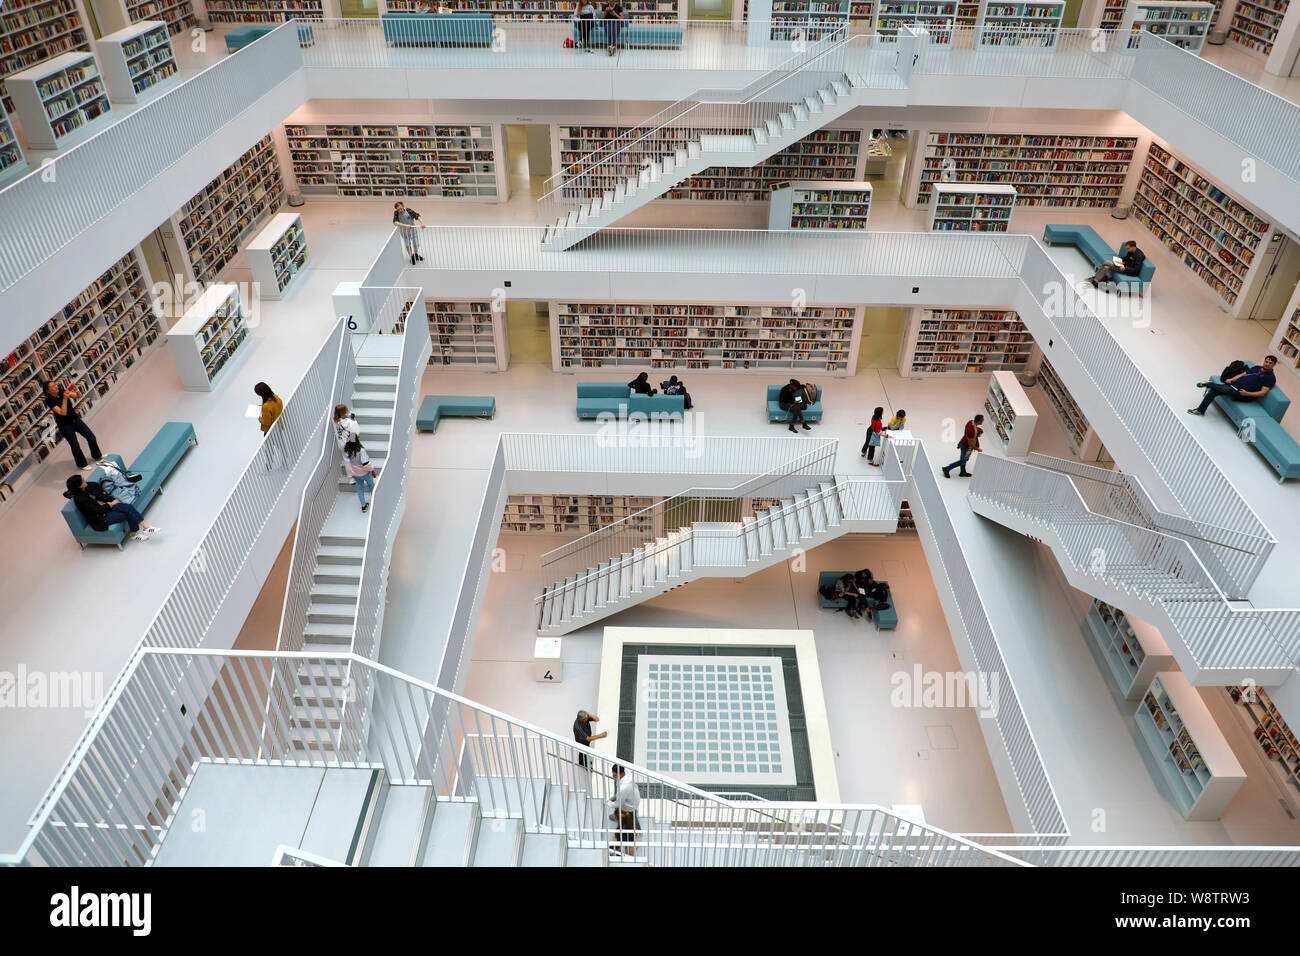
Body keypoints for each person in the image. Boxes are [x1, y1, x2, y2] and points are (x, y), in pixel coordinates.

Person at [63, 474, 159, 542]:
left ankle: (146, 527)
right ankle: (135, 533)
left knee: (128, 507)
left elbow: (101, 494)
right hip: (100, 518)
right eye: (83, 480)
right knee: (127, 513)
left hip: (106, 507)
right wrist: (110, 505)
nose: (85, 480)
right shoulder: (80, 499)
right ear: (79, 486)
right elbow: (96, 511)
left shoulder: (88, 487)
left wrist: (112, 500)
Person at [43, 379, 102, 471]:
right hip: (65, 425)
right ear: (47, 391)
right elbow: (63, 412)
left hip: (75, 420)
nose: (56, 387)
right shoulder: (49, 401)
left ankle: (97, 456)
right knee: (75, 445)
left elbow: (78, 396)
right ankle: (82, 464)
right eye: (53, 387)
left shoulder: (61, 391)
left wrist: (76, 389)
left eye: (55, 385)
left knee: (91, 436)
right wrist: (65, 399)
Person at [1189, 355, 1277, 416]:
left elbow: (1263, 393)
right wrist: (1232, 379)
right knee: (1214, 391)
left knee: (1229, 390)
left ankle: (1209, 384)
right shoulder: (1257, 367)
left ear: (1274, 365)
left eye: (1270, 363)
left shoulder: (1271, 378)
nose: (1267, 364)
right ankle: (1200, 410)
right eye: (1266, 361)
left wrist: (1247, 393)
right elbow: (1242, 374)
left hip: (1244, 394)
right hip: (1235, 386)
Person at [607, 763, 640, 854]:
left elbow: (618, 803)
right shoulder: (628, 775)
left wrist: (609, 803)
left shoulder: (624, 788)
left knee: (630, 822)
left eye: (614, 774)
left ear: (620, 774)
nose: (613, 776)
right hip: (633, 800)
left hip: (629, 806)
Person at [942, 414, 983, 479]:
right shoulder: (971, 430)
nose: (983, 421)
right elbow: (970, 444)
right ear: (979, 421)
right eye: (982, 420)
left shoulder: (971, 422)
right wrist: (977, 449)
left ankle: (962, 472)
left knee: (963, 459)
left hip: (963, 443)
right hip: (966, 446)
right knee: (963, 461)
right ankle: (947, 469)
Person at [344, 439, 376, 513]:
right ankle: (375, 502)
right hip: (365, 473)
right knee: (371, 486)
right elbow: (365, 463)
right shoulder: (361, 450)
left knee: (360, 489)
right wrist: (371, 468)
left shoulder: (348, 451)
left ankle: (363, 506)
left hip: (355, 473)